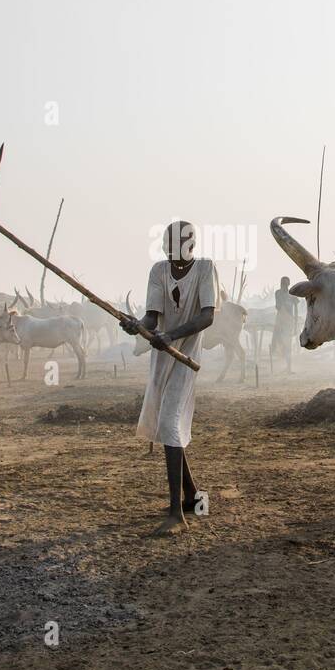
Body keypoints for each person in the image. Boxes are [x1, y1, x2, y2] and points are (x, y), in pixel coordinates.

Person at [121, 220, 217, 535]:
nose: (175, 252)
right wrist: (138, 324)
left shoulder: (205, 269)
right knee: (166, 421)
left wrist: (172, 335)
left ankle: (177, 514)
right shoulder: (158, 272)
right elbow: (153, 315)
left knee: (168, 422)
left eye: (181, 245)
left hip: (186, 357)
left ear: (191, 245)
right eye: (171, 246)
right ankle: (191, 496)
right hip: (162, 356)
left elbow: (207, 315)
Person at [271, 275, 298, 374]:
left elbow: (295, 309)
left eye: (286, 284)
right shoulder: (278, 293)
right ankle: (285, 366)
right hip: (280, 320)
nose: (284, 285)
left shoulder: (292, 295)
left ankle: (288, 367)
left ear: (288, 284)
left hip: (288, 321)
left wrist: (294, 323)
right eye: (283, 283)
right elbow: (278, 306)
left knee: (288, 344)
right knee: (279, 341)